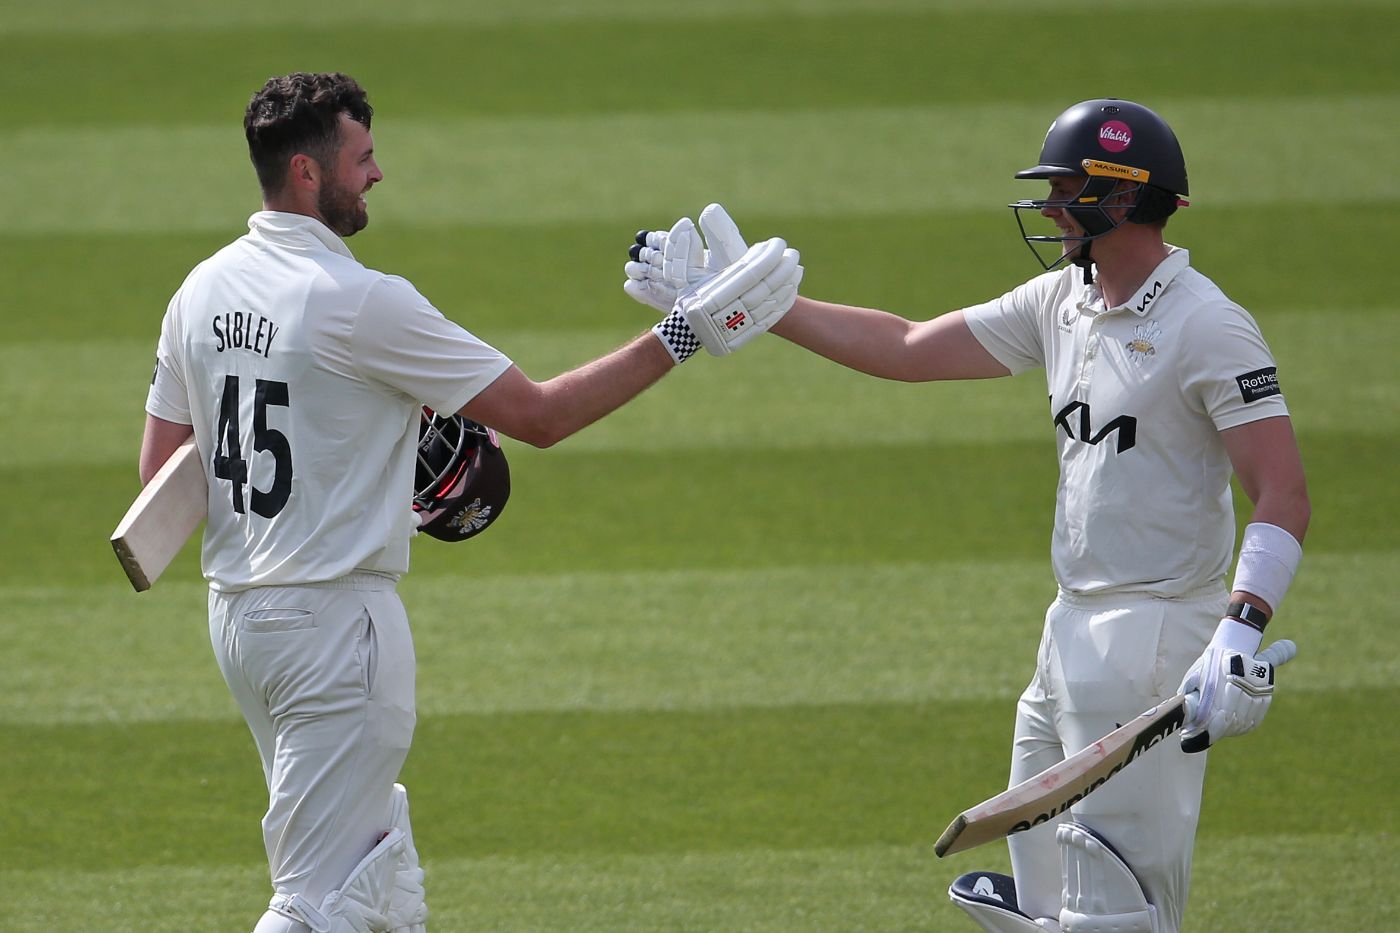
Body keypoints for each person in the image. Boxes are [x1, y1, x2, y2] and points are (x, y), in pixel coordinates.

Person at [137, 71, 801, 933]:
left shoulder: (200, 291)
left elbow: (162, 471)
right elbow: (542, 414)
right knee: (313, 899)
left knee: (382, 882)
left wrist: (344, 435)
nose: (377, 174)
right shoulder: (361, 302)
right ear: (307, 172)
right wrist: (688, 331)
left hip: (241, 623)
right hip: (339, 631)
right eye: (363, 157)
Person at [624, 99, 1310, 933]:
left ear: (1123, 198)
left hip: (1158, 637)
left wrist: (1240, 630)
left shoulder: (1208, 325)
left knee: (1118, 914)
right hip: (1066, 634)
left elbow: (1282, 491)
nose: (1051, 208)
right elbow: (910, 348)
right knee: (1047, 910)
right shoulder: (1064, 302)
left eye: (1065, 189)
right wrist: (746, 308)